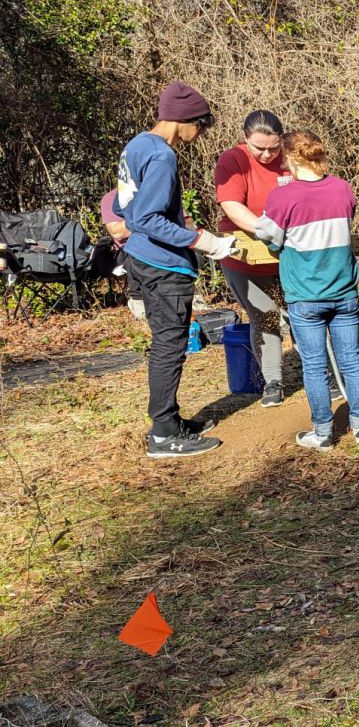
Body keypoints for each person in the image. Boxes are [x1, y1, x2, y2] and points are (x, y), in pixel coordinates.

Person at [116, 81, 240, 459]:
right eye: (200, 126)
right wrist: (205, 242)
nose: (199, 135)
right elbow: (145, 218)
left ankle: (169, 420)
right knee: (170, 345)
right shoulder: (162, 156)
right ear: (184, 120)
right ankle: (164, 433)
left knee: (165, 342)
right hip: (161, 264)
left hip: (141, 258)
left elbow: (127, 210)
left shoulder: (136, 144)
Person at [253, 130, 359, 449]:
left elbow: (267, 235)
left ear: (290, 158)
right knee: (352, 360)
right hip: (344, 291)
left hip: (305, 296)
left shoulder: (282, 197)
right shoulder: (342, 188)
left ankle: (323, 433)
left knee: (315, 366)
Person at [216, 110, 291, 406]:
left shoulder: (290, 156)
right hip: (247, 257)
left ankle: (320, 373)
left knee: (302, 314)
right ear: (246, 139)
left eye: (273, 147)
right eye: (259, 147)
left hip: (290, 255)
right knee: (266, 317)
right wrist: (265, 229)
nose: (267, 154)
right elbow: (232, 205)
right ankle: (272, 381)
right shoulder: (233, 160)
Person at [99, 188, 145, 320]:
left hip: (163, 242)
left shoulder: (160, 191)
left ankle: (193, 298)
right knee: (138, 250)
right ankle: (139, 301)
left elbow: (185, 223)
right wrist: (149, 220)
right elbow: (117, 232)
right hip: (127, 249)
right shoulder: (112, 198)